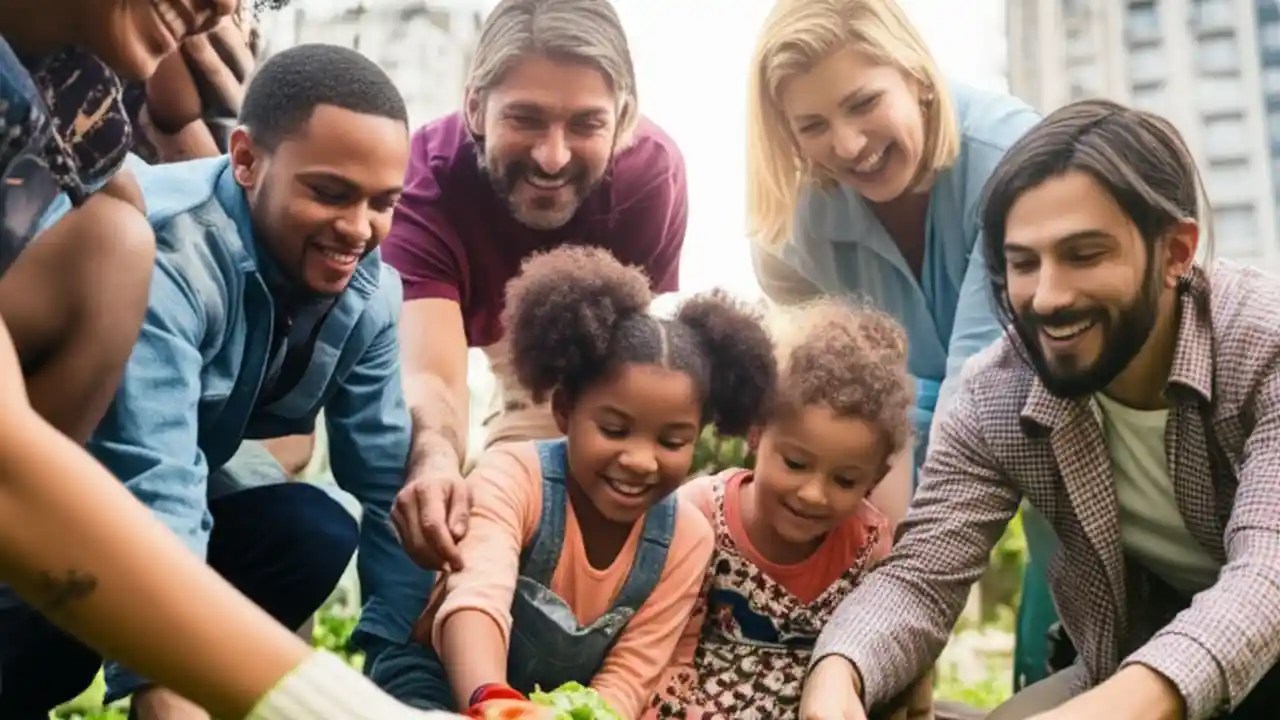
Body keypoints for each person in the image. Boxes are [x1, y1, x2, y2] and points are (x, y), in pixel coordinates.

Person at [0, 2, 460, 719]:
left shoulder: (369, 290)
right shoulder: (164, 249)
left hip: (88, 482)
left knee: (311, 529)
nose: (359, 228)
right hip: (63, 470)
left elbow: (388, 485)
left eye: (382, 204)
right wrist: (161, 685)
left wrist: (400, 683)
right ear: (245, 160)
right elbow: (156, 475)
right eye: (330, 193)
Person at [800, 98, 1280, 720]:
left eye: (1084, 255)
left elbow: (1266, 579)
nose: (1048, 299)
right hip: (1137, 654)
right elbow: (922, 576)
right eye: (1024, 263)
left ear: (1175, 252)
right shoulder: (997, 389)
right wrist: (838, 673)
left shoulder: (1263, 342)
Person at [743, 0, 1062, 685]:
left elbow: (978, 385)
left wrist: (899, 586)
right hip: (936, 446)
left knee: (1078, 638)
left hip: (1070, 427)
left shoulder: (1009, 156)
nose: (849, 144)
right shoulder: (803, 224)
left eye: (863, 103)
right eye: (813, 126)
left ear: (916, 75)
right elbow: (843, 398)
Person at [369, 246, 775, 719]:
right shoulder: (515, 476)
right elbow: (476, 598)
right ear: (565, 411)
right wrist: (491, 701)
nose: (641, 460)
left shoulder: (687, 537)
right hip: (439, 681)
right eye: (614, 429)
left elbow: (629, 673)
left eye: (672, 440)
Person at [382, 0, 689, 580]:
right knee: (419, 467)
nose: (553, 156)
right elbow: (430, 375)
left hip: (579, 348)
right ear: (476, 106)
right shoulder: (426, 178)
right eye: (525, 118)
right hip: (471, 327)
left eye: (586, 123)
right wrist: (438, 461)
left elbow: (615, 381)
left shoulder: (651, 174)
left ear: (622, 116)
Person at [647, 298, 932, 720]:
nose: (814, 494)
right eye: (796, 464)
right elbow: (654, 643)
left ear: (875, 477)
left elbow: (899, 649)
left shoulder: (868, 546)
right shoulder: (701, 514)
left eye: (845, 480)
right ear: (757, 435)